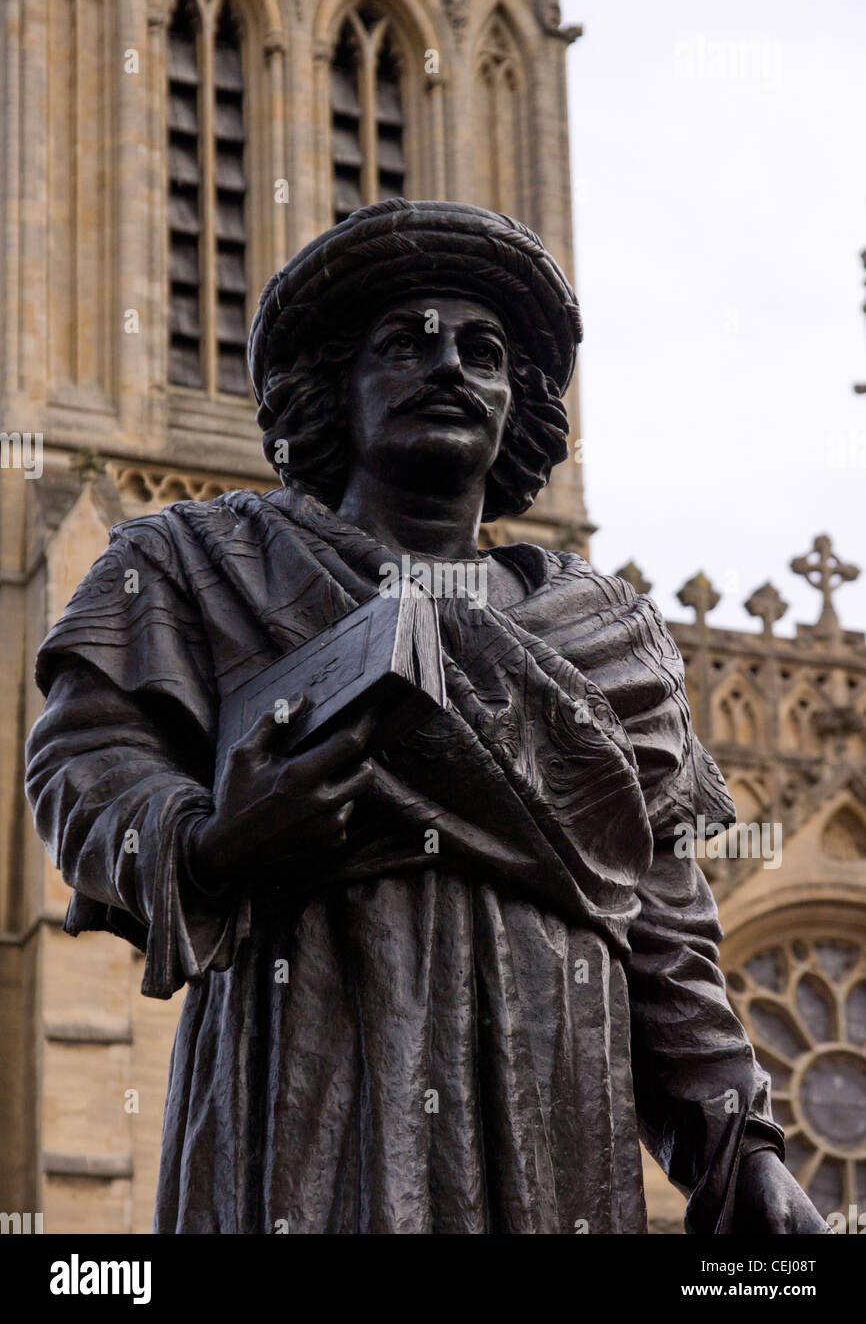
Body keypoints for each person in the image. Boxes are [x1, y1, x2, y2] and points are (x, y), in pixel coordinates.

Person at [25, 199, 826, 1234]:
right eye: (405, 343)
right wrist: (214, 842)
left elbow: (664, 924)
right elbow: (86, 764)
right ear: (335, 389)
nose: (450, 368)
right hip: (305, 1065)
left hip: (551, 1101)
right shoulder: (199, 564)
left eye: (484, 351)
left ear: (516, 403)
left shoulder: (604, 632)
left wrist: (737, 1148)